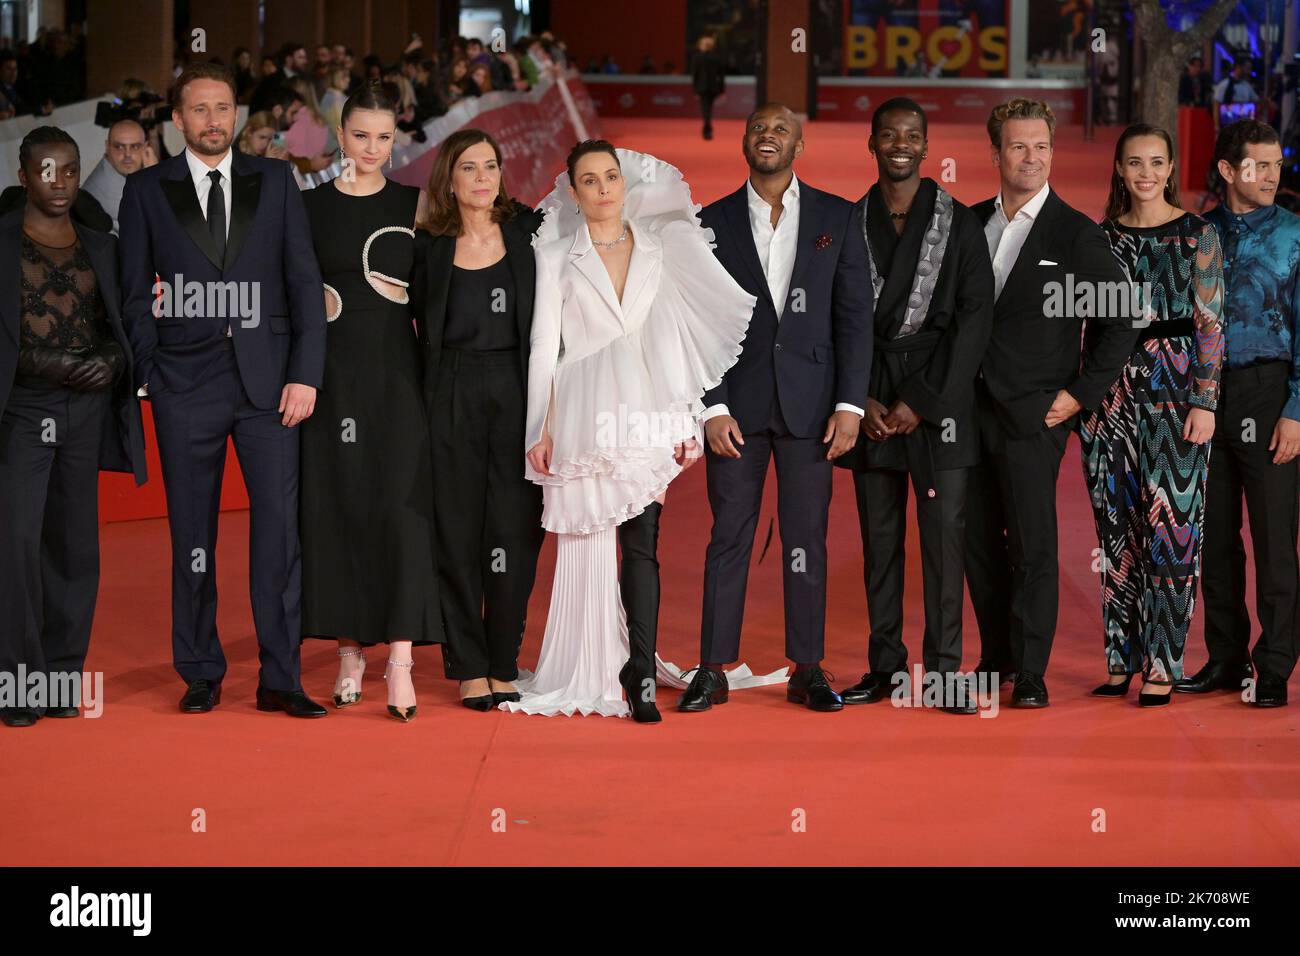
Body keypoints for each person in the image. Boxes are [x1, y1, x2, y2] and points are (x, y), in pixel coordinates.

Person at [514, 140, 758, 722]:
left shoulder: (658, 247)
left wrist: (689, 418)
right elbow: (545, 346)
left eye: (611, 178)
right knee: (588, 539)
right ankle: (591, 665)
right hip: (580, 411)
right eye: (590, 181)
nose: (602, 190)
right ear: (572, 192)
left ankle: (641, 673)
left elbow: (672, 338)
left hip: (646, 408)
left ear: (625, 184)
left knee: (643, 544)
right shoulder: (553, 256)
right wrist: (537, 430)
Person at [117, 62, 328, 718]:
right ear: (176, 121)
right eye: (199, 109)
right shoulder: (149, 190)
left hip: (270, 390)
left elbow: (303, 282)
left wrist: (305, 373)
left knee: (278, 536)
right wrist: (152, 372)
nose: (213, 120)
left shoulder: (276, 180)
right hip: (185, 387)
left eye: (223, 108)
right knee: (192, 537)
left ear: (237, 116)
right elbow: (132, 298)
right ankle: (200, 669)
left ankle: (281, 676)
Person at [678, 102, 874, 714]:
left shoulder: (836, 217)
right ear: (744, 141)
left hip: (812, 409)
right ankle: (712, 667)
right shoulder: (708, 223)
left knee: (806, 538)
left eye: (781, 130)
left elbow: (853, 318)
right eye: (759, 128)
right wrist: (710, 407)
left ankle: (807, 667)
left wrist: (849, 404)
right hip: (736, 407)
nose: (769, 137)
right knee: (728, 537)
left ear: (799, 146)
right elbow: (697, 325)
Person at [965, 98, 1136, 708]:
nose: (1031, 157)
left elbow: (1122, 319)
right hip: (967, 412)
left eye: (1041, 146)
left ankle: (1031, 671)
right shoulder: (971, 224)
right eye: (1018, 146)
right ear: (996, 154)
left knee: (1034, 545)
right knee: (979, 543)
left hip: (1035, 414)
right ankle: (996, 658)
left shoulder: (1073, 233)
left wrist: (1078, 396)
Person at [832, 98, 994, 714]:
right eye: (889, 135)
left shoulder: (959, 223)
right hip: (872, 396)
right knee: (879, 540)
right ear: (872, 144)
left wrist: (922, 400)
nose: (900, 144)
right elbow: (834, 318)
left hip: (940, 399)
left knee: (945, 539)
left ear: (926, 149)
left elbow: (975, 319)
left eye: (912, 136)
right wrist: (861, 397)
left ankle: (946, 670)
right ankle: (884, 664)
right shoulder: (850, 222)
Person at [299, 83, 441, 722]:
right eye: (361, 136)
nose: (373, 148)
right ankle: (350, 651)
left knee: (402, 512)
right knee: (341, 508)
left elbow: (442, 297)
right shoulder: (309, 207)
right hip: (331, 379)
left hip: (398, 380)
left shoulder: (416, 205)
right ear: (340, 135)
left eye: (384, 137)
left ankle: (403, 659)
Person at [0, 127, 147, 728]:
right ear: (23, 175)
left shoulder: (100, 245)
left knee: (74, 544)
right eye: (46, 171)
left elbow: (120, 325)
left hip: (84, 411)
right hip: (22, 409)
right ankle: (16, 682)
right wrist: (44, 364)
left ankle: (62, 677)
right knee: (15, 546)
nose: (58, 183)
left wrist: (112, 360)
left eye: (68, 170)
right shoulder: (3, 243)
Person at [1082, 124, 1224, 706]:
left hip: (1178, 394)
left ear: (1170, 169)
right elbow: (1085, 322)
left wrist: (1206, 400)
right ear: (1118, 168)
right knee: (1116, 531)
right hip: (1111, 398)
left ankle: (1164, 664)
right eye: (1134, 162)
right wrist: (1083, 400)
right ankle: (1122, 658)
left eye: (1156, 162)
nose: (1145, 173)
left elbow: (1211, 324)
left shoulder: (1198, 235)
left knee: (1173, 531)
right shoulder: (1098, 239)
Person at [413, 129, 546, 711]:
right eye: (469, 168)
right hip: (450, 392)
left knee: (515, 530)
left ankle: (502, 658)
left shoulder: (529, 231)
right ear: (450, 177)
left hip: (518, 388)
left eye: (491, 165)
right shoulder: (428, 245)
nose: (483, 177)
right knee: (458, 528)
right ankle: (468, 663)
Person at [1181, 119, 1300, 707]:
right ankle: (1225, 657)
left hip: (1270, 391)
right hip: (1205, 396)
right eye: (1259, 165)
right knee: (1216, 538)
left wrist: (1296, 410)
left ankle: (1274, 665)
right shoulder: (1198, 234)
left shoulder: (1295, 236)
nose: (1273, 175)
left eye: (1278, 164)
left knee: (1276, 538)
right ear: (1228, 170)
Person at [81, 118, 157, 235]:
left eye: (135, 147)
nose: (127, 155)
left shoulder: (112, 169)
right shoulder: (111, 191)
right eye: (119, 147)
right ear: (107, 147)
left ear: (146, 147)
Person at [691, 35, 725, 141]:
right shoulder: (716, 57)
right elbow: (721, 75)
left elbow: (694, 74)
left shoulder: (697, 57)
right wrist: (722, 89)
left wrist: (695, 89)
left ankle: (707, 127)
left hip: (701, 87)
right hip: (713, 87)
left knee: (705, 108)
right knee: (709, 107)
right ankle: (708, 126)